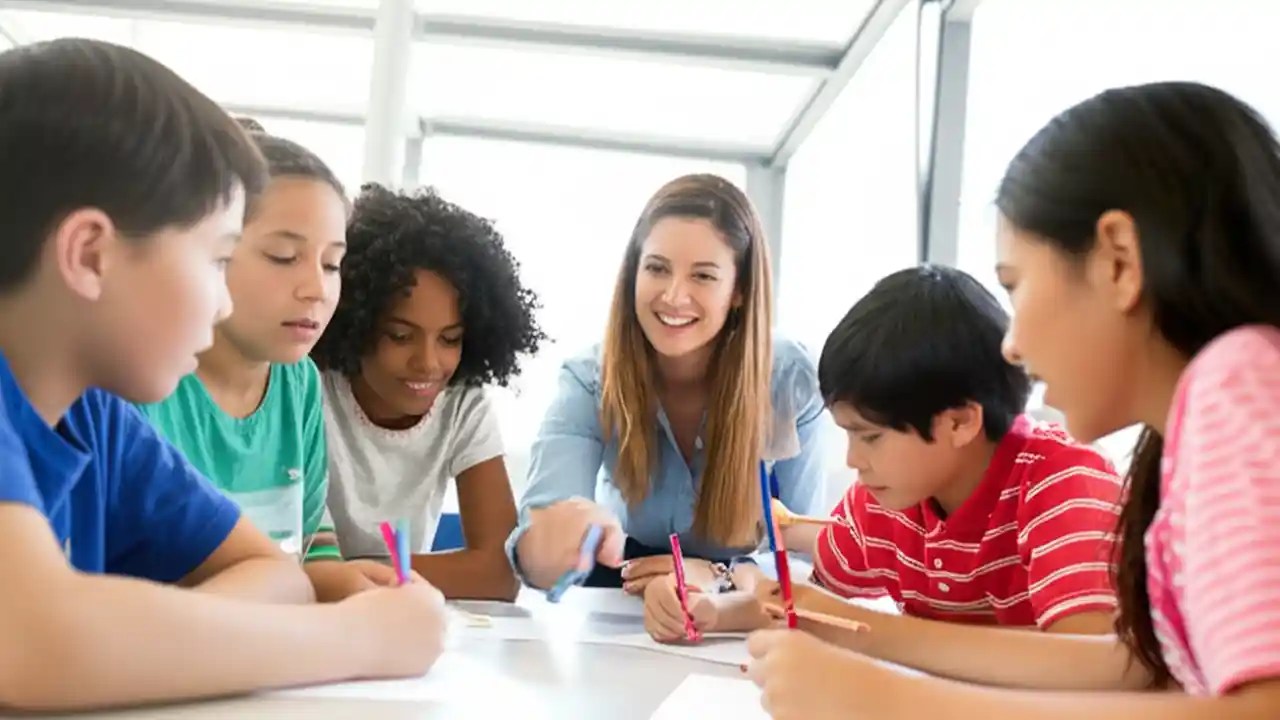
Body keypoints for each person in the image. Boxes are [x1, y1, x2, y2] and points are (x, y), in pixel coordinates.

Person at [745, 81, 1280, 720]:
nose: (1014, 345)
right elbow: (1131, 666)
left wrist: (887, 700)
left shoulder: (1237, 387)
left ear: (1118, 262)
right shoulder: (1199, 429)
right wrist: (852, 636)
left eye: (1016, 286)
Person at [0, 39, 443, 712]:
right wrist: (353, 641)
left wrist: (131, 642)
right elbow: (33, 643)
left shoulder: (95, 417)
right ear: (90, 254)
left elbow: (276, 573)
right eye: (217, 258)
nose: (225, 301)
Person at [643, 265, 1122, 643]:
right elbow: (805, 602)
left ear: (960, 421)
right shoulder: (888, 497)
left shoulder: (1064, 486)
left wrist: (889, 652)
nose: (853, 460)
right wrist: (713, 611)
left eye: (869, 437)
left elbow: (1087, 655)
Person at [508, 173, 828, 595]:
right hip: (626, 582)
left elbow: (803, 556)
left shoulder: (790, 378)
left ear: (739, 291)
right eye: (657, 268)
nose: (674, 296)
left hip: (742, 593)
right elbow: (538, 547)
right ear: (633, 275)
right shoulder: (589, 378)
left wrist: (719, 577)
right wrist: (552, 547)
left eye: (703, 276)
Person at [138, 120, 391, 601]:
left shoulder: (299, 383)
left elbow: (305, 542)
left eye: (333, 263)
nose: (316, 288)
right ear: (212, 249)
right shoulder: (140, 386)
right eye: (282, 256)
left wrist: (346, 583)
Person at [311, 184, 544, 601]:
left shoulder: (461, 402)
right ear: (355, 322)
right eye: (400, 336)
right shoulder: (309, 389)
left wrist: (350, 573)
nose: (428, 363)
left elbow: (498, 573)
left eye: (450, 339)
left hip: (392, 616)